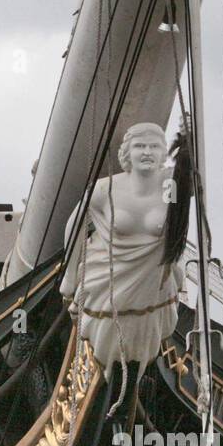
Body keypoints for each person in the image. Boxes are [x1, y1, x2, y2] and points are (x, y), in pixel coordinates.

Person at [60, 122, 185, 370]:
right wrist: (69, 279)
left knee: (137, 360)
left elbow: (187, 203)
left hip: (151, 293)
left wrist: (190, 139)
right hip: (107, 289)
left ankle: (123, 394)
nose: (147, 152)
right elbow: (74, 229)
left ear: (164, 153)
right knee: (106, 361)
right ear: (127, 152)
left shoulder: (170, 186)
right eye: (140, 146)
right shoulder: (104, 189)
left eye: (154, 146)